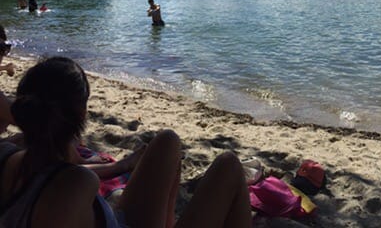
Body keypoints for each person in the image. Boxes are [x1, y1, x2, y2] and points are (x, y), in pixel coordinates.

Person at [0, 56, 251, 227]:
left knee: (167, 141)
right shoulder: (75, 184)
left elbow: (52, 169)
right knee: (229, 166)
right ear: (82, 114)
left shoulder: (8, 154)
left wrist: (120, 166)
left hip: (119, 219)